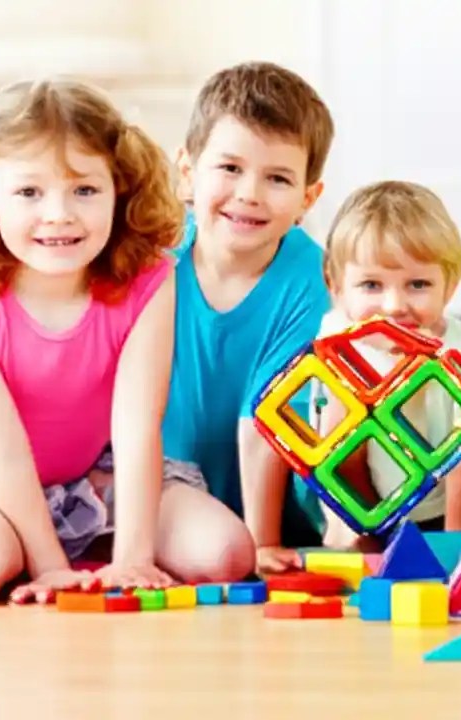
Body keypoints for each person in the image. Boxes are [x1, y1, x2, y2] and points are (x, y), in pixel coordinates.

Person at [0, 78, 253, 605]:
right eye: (28, 192)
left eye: (85, 190)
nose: (59, 213)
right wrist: (50, 570)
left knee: (225, 553)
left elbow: (136, 428)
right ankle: (36, 551)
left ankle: (98, 550)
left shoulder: (149, 279)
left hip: (92, 478)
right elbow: (4, 452)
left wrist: (135, 558)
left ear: (119, 189)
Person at [163, 61, 335, 574]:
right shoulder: (155, 256)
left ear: (308, 197)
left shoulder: (313, 280)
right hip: (165, 489)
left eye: (277, 178)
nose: (250, 193)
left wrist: (262, 544)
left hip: (271, 512)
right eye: (230, 168)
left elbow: (265, 418)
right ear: (188, 172)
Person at [313, 181, 461, 548]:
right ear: (336, 286)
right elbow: (341, 451)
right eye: (371, 285)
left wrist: (456, 549)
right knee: (338, 424)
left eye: (418, 284)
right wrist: (371, 529)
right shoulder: (337, 333)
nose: (394, 306)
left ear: (450, 286)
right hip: (396, 493)